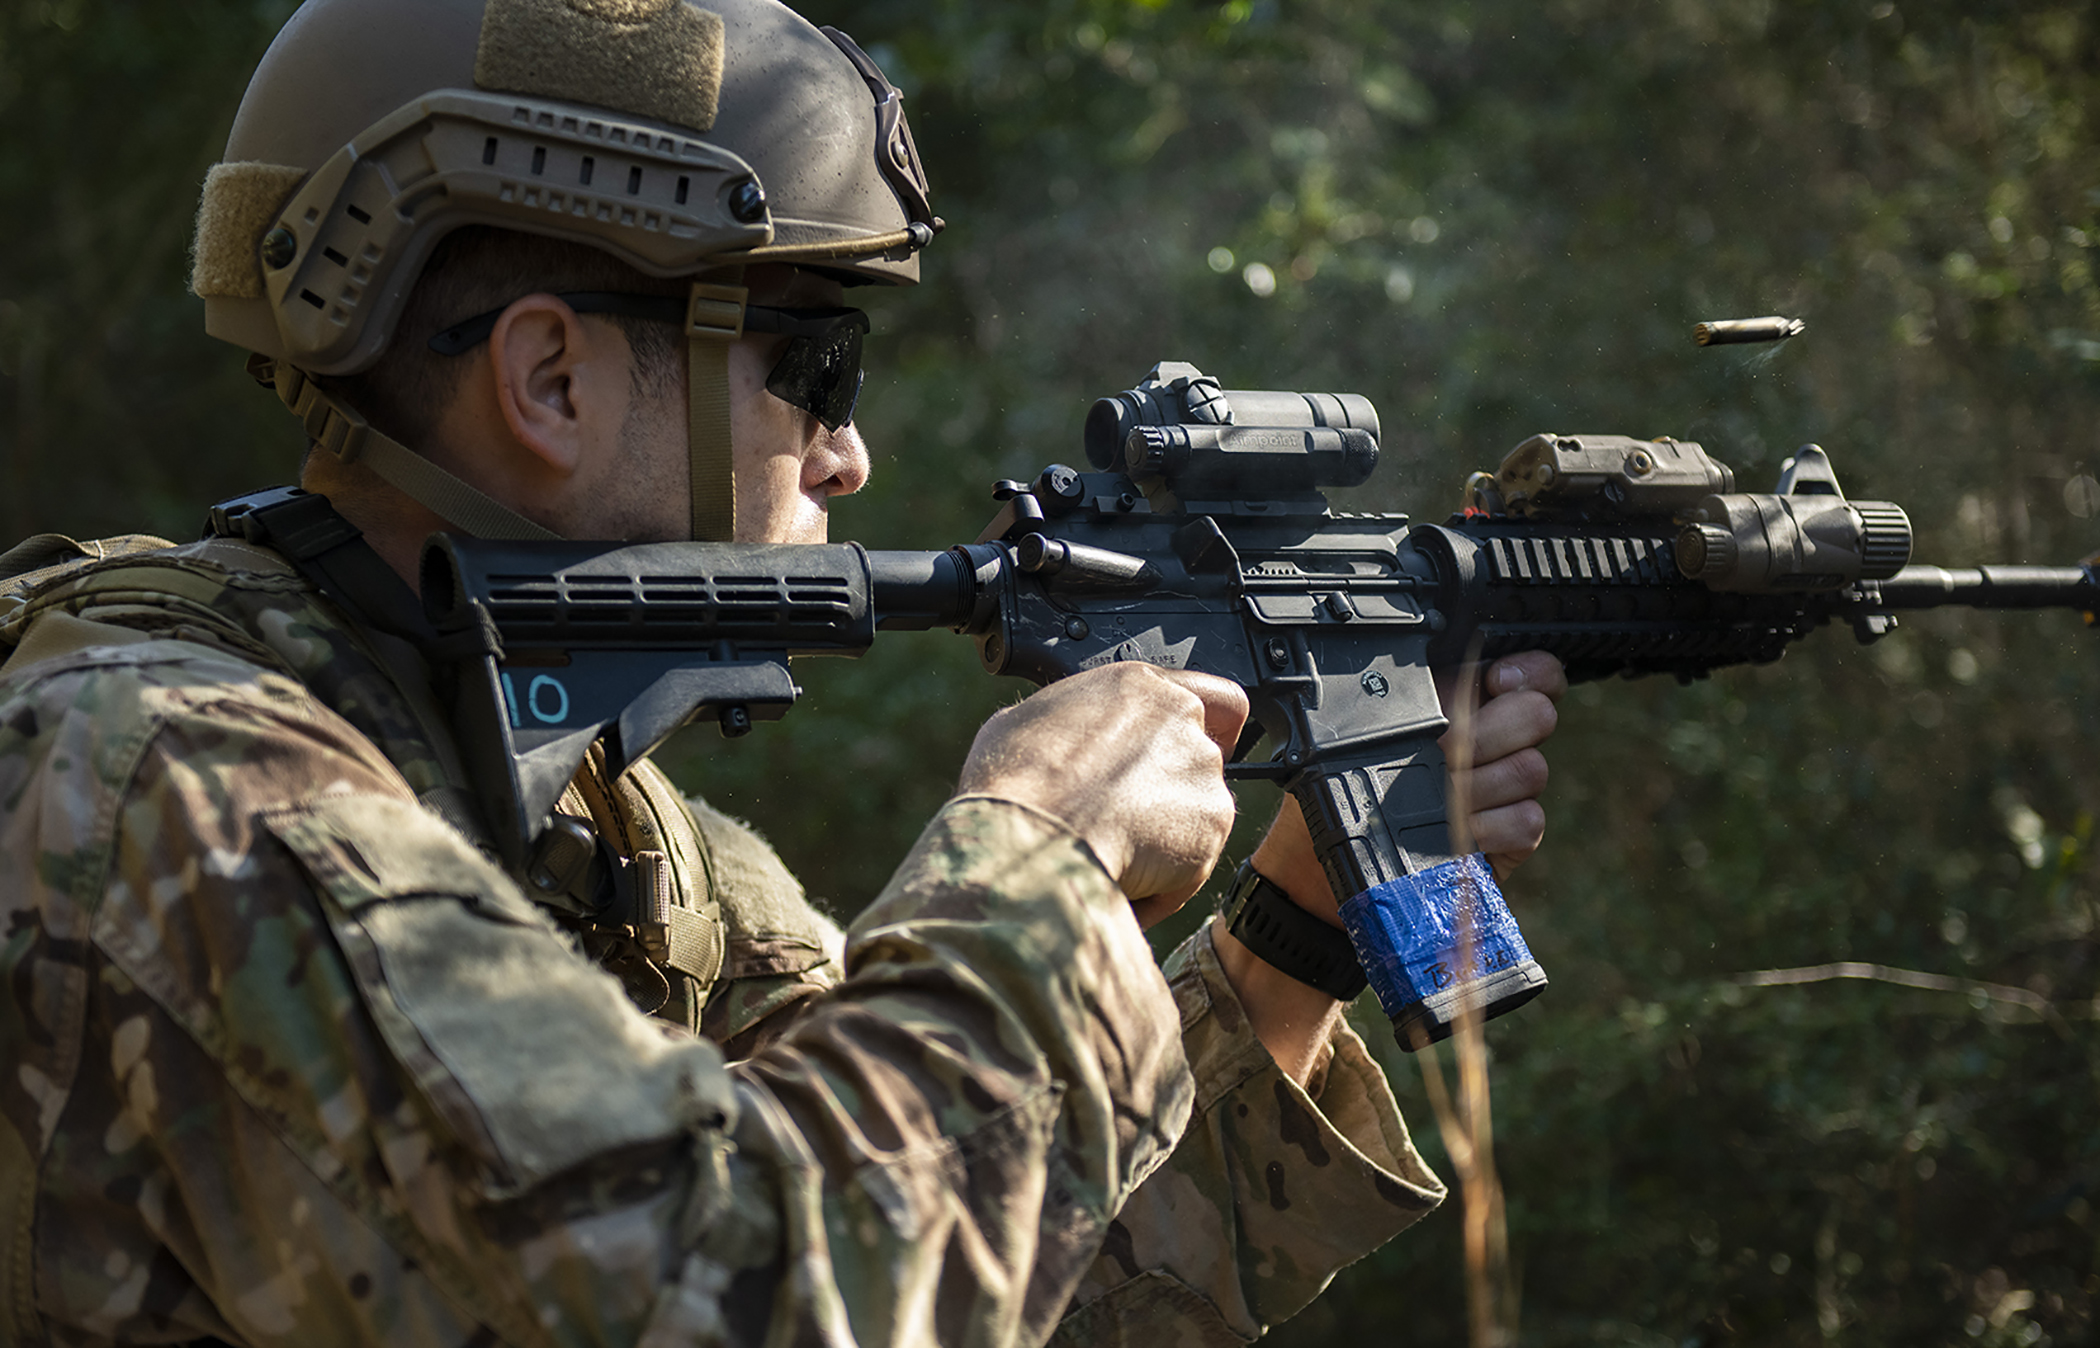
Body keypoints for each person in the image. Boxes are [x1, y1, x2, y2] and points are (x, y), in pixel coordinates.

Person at [0, 0, 1564, 1343]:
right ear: (548, 376)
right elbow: (740, 1298)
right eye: (815, 367)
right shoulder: (159, 783)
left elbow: (999, 1283)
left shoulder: (629, 854)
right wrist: (1039, 855)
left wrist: (1289, 931)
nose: (852, 455)